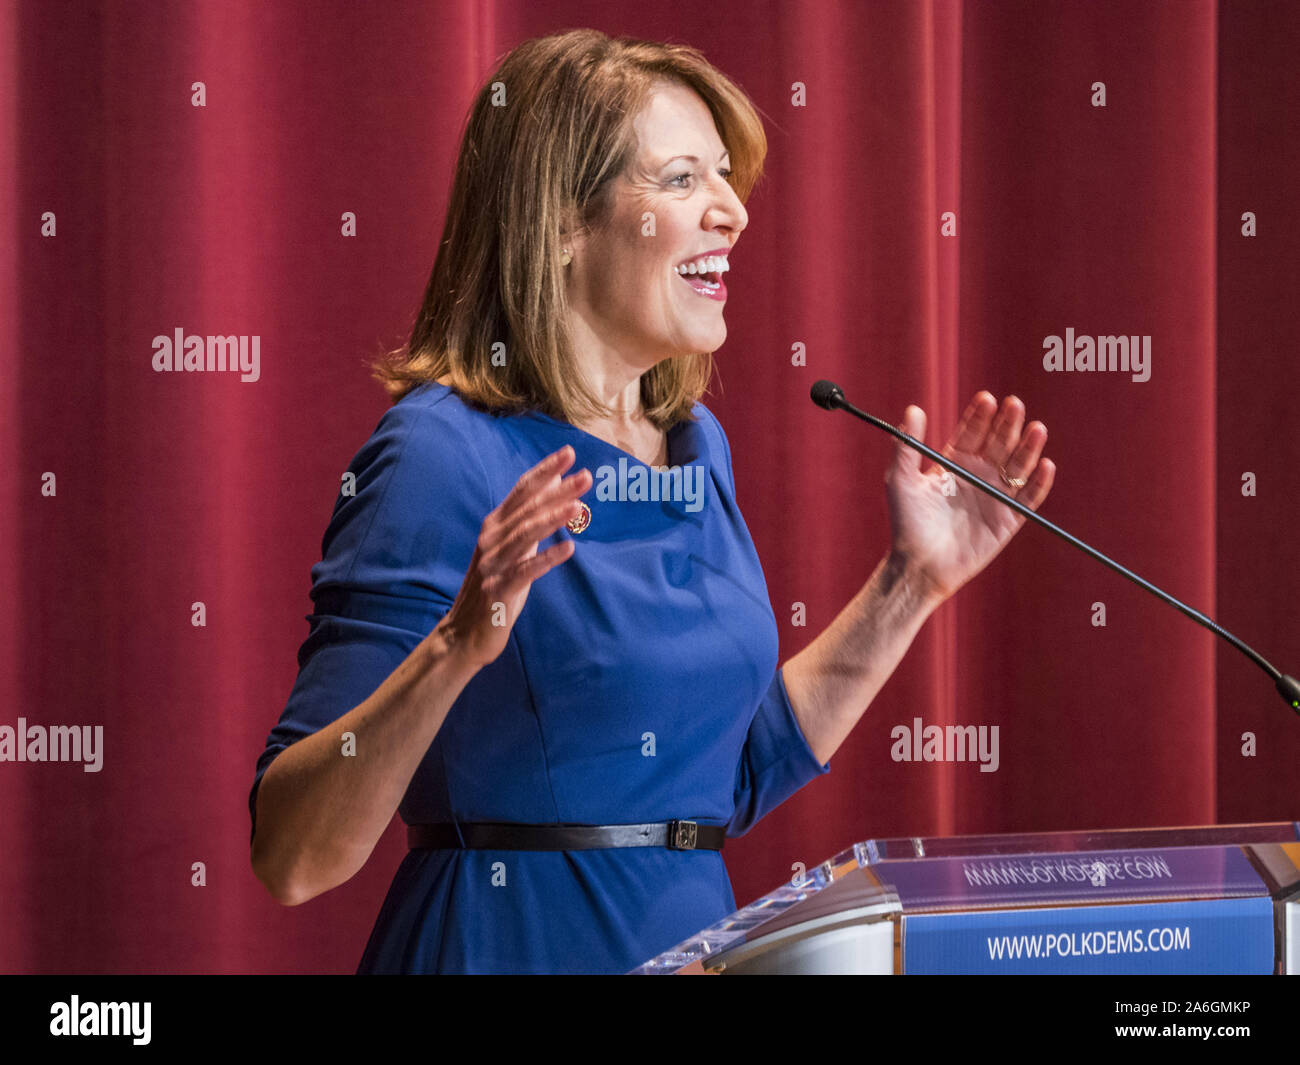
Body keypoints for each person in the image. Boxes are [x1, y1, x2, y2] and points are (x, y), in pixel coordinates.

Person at [248, 29, 1055, 975]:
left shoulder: (694, 446)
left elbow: (726, 774)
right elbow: (292, 853)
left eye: (724, 178)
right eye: (680, 180)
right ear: (559, 223)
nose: (732, 214)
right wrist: (455, 647)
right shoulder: (442, 451)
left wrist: (909, 583)